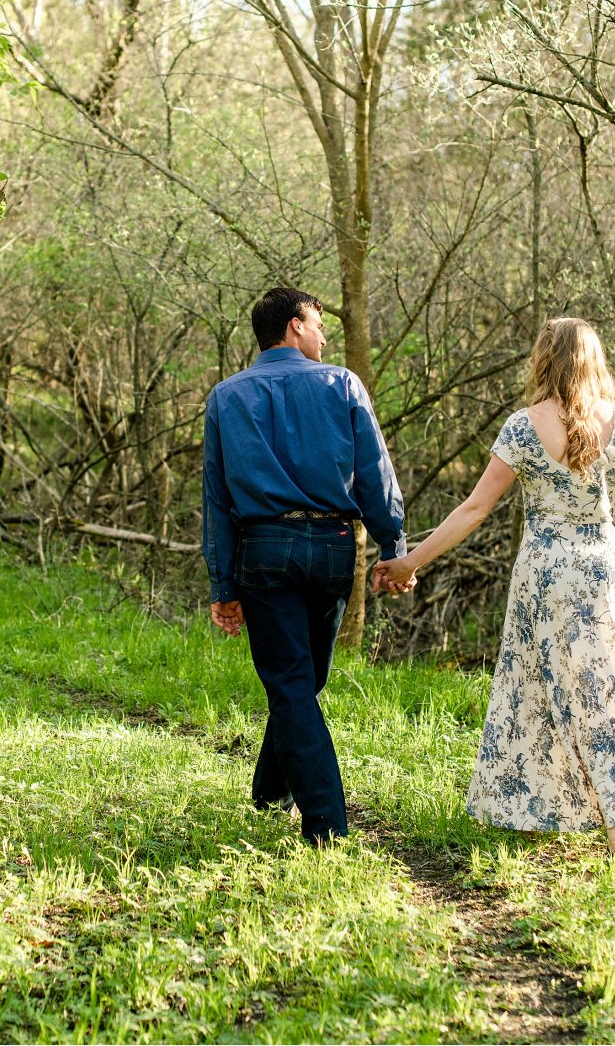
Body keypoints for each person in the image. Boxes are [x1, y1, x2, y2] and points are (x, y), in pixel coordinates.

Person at [375, 318, 615, 858]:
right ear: (594, 360)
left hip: (545, 573)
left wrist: (409, 561)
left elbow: (474, 509)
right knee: (606, 691)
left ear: (544, 360)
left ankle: (533, 813)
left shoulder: (523, 427)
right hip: (605, 571)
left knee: (537, 689)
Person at [202, 287, 408, 846]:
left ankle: (312, 818)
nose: (324, 337)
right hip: (333, 545)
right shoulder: (341, 383)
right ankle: (296, 809)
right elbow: (374, 473)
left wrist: (223, 583)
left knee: (297, 683)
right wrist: (394, 545)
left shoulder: (226, 397)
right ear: (294, 326)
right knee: (300, 681)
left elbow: (217, 501)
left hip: (263, 549)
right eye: (319, 325)